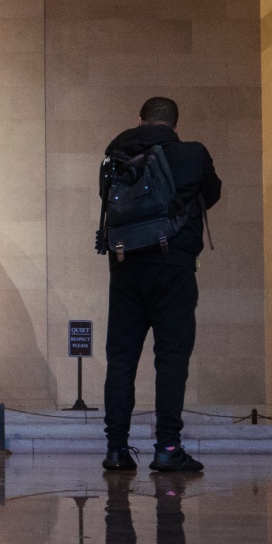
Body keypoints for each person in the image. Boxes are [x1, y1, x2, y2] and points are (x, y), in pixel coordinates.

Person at [95, 96, 220, 472]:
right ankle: (167, 448)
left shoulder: (116, 151)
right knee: (171, 360)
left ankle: (116, 450)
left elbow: (108, 198)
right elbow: (211, 194)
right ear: (174, 125)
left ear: (141, 120)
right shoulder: (193, 153)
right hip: (174, 269)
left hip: (125, 266)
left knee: (120, 360)